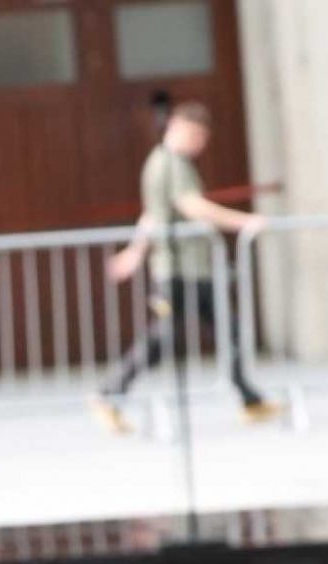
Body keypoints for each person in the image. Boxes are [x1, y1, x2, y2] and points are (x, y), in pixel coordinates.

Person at [95, 100, 278, 430]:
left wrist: (134, 253)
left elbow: (151, 214)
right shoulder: (170, 164)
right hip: (180, 268)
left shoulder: (164, 163)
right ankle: (110, 393)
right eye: (199, 137)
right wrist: (243, 221)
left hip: (191, 267)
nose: (201, 146)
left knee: (227, 330)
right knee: (165, 338)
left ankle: (251, 399)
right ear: (180, 128)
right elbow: (191, 206)